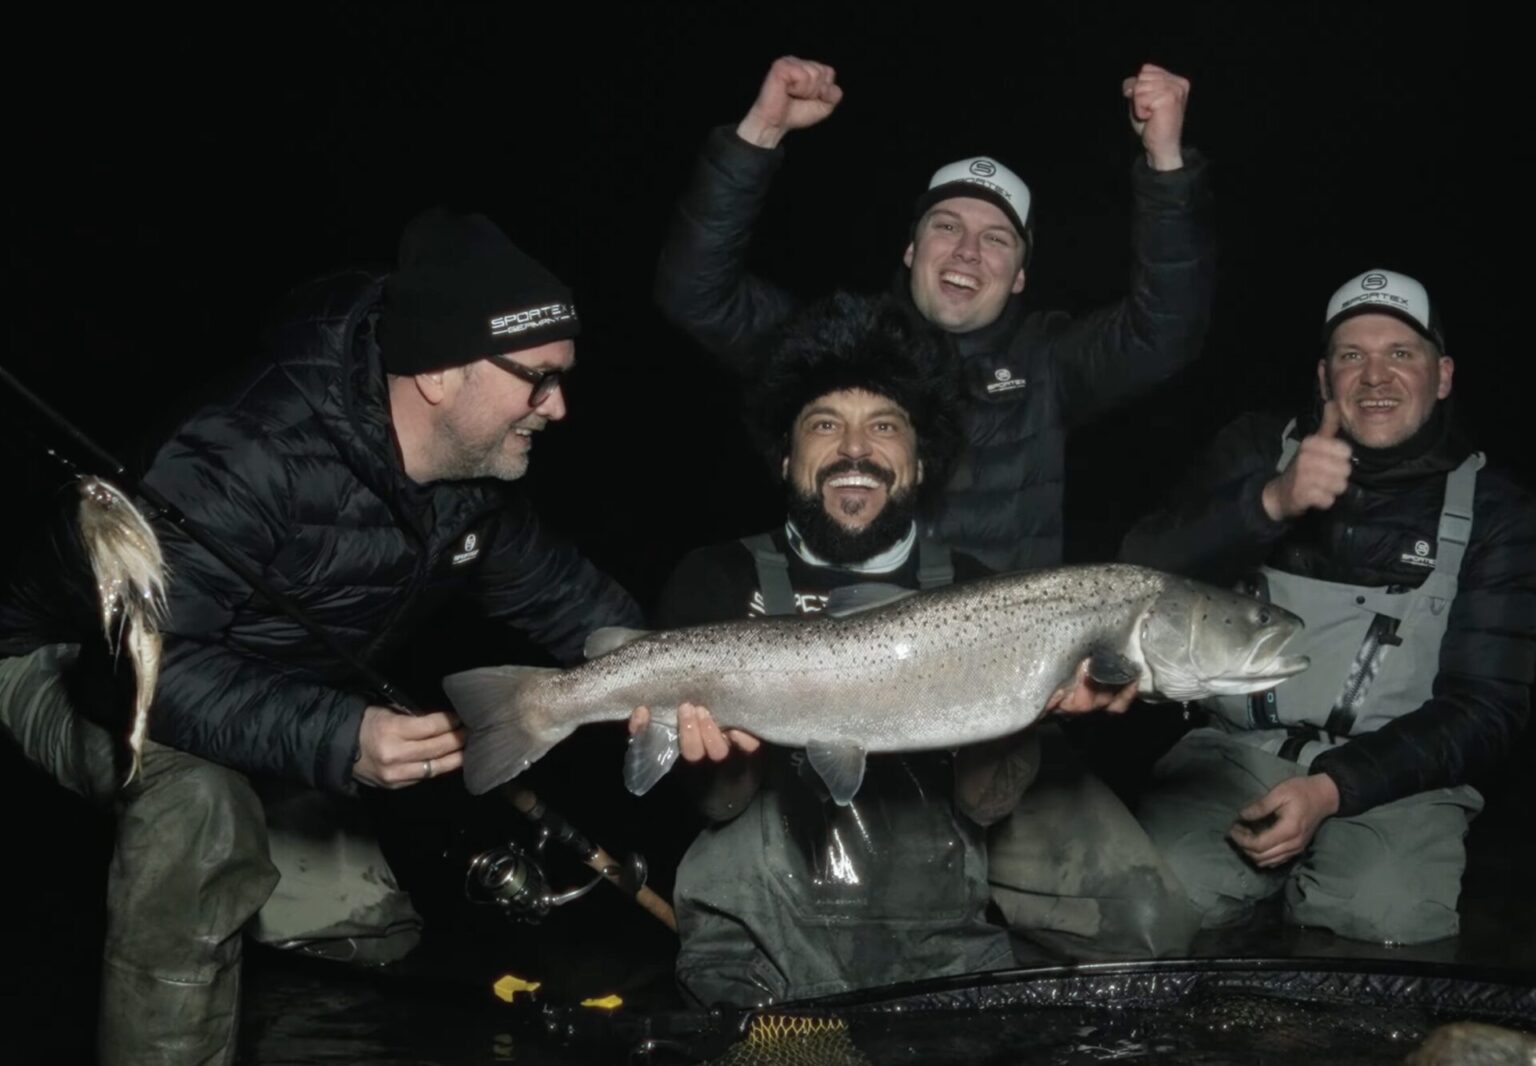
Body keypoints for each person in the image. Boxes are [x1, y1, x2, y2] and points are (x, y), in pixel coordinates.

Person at [0, 207, 642, 1065]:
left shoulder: (471, 483)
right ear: (439, 374)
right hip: (78, 667)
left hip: (267, 692)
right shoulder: (238, 457)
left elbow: (573, 602)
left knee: (365, 941)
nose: (557, 407)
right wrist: (341, 738)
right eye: (538, 379)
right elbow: (143, 673)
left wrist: (689, 685)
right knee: (201, 813)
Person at [629, 292, 1190, 1006]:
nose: (854, 448)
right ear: (786, 458)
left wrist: (1036, 710)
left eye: (885, 426)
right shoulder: (716, 579)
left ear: (920, 465)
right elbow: (719, 808)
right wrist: (727, 760)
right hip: (770, 928)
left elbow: (987, 805)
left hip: (940, 917)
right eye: (825, 424)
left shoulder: (983, 592)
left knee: (1152, 923)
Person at [654, 55, 1215, 574]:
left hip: (1002, 648)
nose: (967, 251)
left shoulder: (1048, 361)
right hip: (849, 636)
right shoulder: (841, 345)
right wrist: (761, 132)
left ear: (1020, 277)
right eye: (946, 226)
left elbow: (1165, 329)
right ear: (910, 250)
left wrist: (1165, 163)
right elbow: (695, 292)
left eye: (996, 238)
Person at [1121, 268, 1536, 944]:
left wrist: (1329, 790)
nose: (1374, 376)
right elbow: (1135, 571)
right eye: (1351, 355)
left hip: (1400, 776)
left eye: (1400, 353)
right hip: (1230, 755)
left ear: (1443, 376)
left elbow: (1487, 709)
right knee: (1146, 908)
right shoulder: (1257, 450)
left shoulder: (1497, 511)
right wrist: (1270, 504)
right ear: (1324, 377)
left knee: (1383, 919)